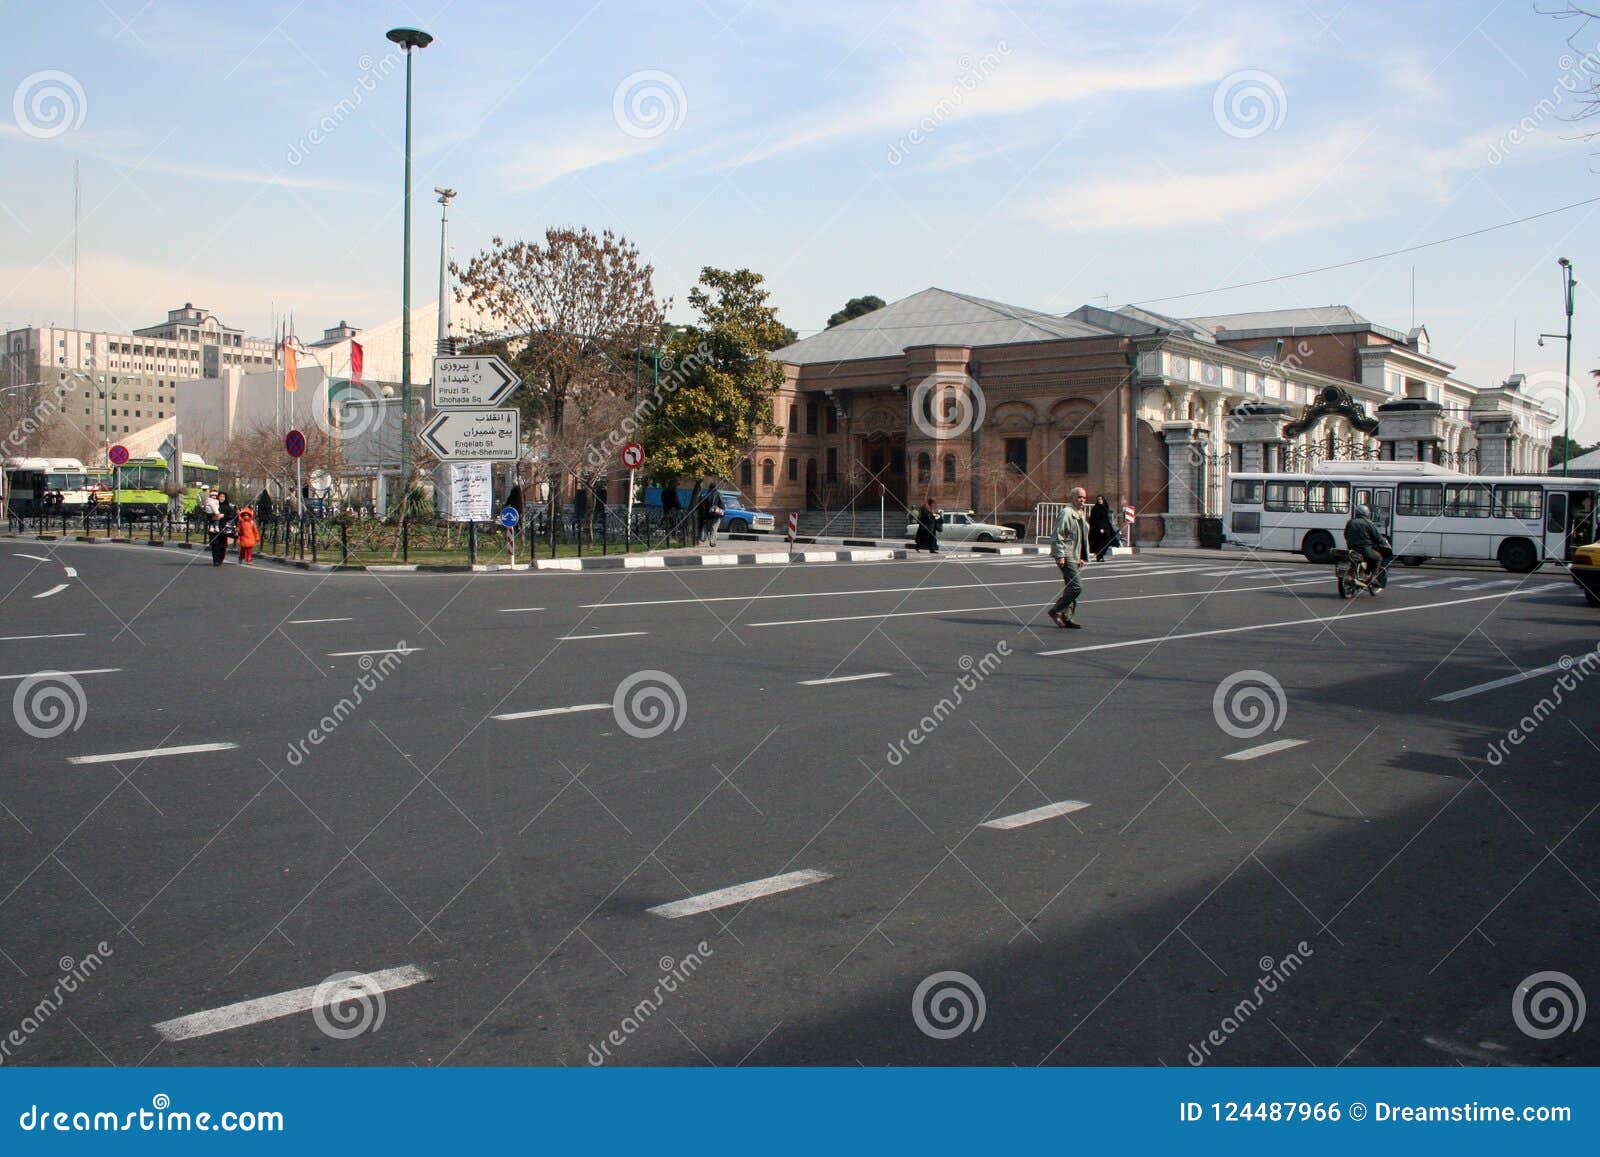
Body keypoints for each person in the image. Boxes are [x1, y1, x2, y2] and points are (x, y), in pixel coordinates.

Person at [1047, 487, 1092, 628]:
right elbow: (1058, 534)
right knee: (1076, 586)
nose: (1082, 500)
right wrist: (1060, 555)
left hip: (1076, 555)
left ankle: (1067, 617)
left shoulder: (1080, 513)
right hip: (1067, 555)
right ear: (1071, 498)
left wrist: (1083, 556)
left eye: (1084, 498)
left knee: (1071, 586)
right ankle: (1056, 611)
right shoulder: (1066, 512)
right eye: (1079, 497)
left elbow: (1083, 538)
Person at [1343, 503, 1391, 590]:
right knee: (1378, 557)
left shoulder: (1350, 522)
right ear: (1366, 513)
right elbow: (1377, 536)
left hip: (1352, 549)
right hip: (1364, 549)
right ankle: (1373, 578)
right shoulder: (1368, 523)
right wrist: (1383, 542)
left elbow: (1345, 535)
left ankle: (1361, 575)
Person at [1088, 495, 1115, 561]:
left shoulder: (1105, 507)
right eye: (1098, 499)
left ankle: (1101, 554)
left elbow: (1106, 519)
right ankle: (1099, 556)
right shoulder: (1096, 508)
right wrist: (1100, 528)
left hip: (1106, 528)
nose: (1099, 501)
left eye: (1101, 499)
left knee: (1108, 540)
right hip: (1098, 529)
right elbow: (1095, 519)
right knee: (1099, 542)